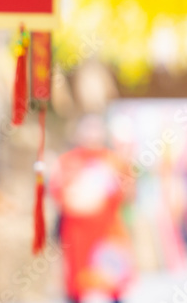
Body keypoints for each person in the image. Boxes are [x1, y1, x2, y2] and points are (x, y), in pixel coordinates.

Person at [50, 115, 136, 303]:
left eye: (96, 129)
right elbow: (62, 197)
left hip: (107, 236)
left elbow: (128, 196)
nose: (91, 134)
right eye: (87, 129)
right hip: (77, 237)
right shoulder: (67, 162)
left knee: (109, 285)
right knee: (81, 289)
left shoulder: (114, 161)